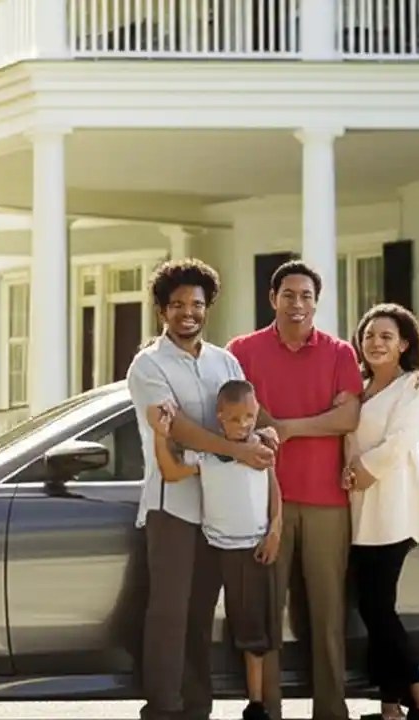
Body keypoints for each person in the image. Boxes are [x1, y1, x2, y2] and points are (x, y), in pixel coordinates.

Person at [127, 258, 278, 720]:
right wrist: (237, 452)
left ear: (207, 307)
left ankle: (196, 710)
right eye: (177, 305)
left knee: (199, 619)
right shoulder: (147, 365)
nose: (187, 312)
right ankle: (163, 710)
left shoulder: (225, 361)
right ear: (162, 310)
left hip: (220, 512)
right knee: (168, 615)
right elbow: (181, 432)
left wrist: (264, 436)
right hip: (172, 505)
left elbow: (244, 416)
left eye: (196, 303)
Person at [226, 260, 363, 720]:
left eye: (306, 296)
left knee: (326, 619)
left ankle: (331, 712)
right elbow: (231, 411)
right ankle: (268, 711)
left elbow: (348, 418)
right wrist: (311, 419)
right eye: (289, 294)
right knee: (267, 615)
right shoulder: (242, 351)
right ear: (273, 299)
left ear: (316, 302)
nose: (297, 303)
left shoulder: (340, 353)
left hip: (328, 502)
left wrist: (285, 425)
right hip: (262, 503)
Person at [150, 379, 284, 720]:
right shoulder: (206, 455)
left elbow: (274, 488)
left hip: (253, 548)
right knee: (202, 620)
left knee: (254, 628)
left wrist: (275, 530)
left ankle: (255, 703)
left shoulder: (260, 447)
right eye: (236, 418)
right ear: (220, 416)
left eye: (250, 417)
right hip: (213, 548)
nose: (244, 425)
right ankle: (195, 700)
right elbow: (171, 471)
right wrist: (159, 435)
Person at [342, 304, 419, 720]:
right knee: (372, 610)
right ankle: (395, 705)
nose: (376, 343)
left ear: (403, 344)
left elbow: (402, 441)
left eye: (386, 336)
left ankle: (416, 704)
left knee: (379, 609)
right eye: (369, 336)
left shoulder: (413, 384)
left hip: (393, 509)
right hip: (357, 512)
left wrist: (363, 470)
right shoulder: (357, 387)